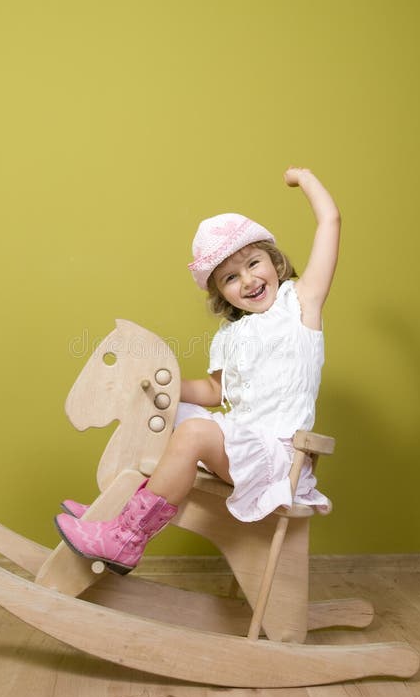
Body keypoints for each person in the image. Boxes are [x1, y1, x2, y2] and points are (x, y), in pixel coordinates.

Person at [55, 167, 341, 574]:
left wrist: (305, 178)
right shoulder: (229, 335)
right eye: (230, 277)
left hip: (278, 454)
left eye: (254, 263)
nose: (247, 280)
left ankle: (125, 539)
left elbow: (330, 222)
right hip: (240, 441)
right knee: (163, 417)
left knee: (193, 432)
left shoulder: (300, 304)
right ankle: (118, 510)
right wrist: (162, 386)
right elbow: (213, 391)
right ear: (220, 291)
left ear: (275, 262)